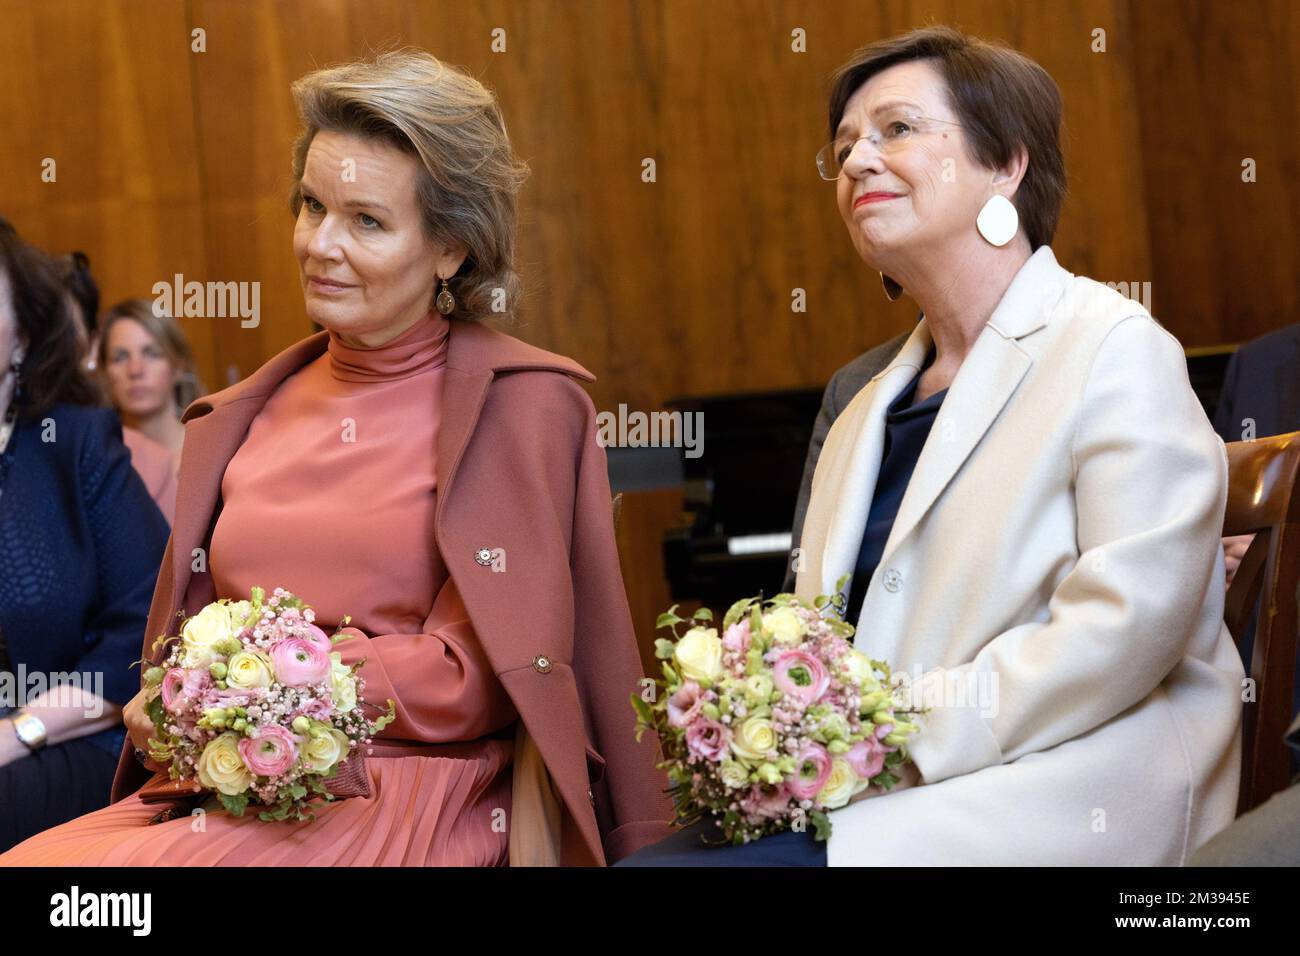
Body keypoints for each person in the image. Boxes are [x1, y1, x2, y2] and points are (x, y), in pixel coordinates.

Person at [0, 50, 671, 868]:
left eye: (367, 221)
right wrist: (168, 699)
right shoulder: (242, 414)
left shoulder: (522, 405)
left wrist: (255, 689)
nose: (320, 244)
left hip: (415, 791)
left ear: (452, 249)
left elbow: (478, 673)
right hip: (226, 788)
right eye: (311, 205)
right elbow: (178, 649)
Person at [621, 25, 1242, 866]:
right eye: (842, 148)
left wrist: (891, 740)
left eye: (897, 129)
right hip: (883, 789)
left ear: (1006, 164)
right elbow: (820, 639)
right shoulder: (861, 411)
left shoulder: (1112, 347)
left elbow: (1124, 626)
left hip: (1064, 783)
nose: (855, 163)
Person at [0, 218, 170, 851]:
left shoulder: (73, 444)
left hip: (66, 739)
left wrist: (18, 733)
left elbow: (145, 629)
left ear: (23, 334)